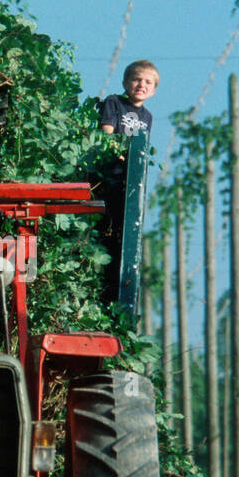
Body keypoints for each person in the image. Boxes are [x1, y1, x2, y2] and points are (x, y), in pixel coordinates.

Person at [97, 60, 158, 300]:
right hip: (110, 175)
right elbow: (106, 135)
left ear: (153, 90)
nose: (141, 85)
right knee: (107, 226)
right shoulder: (115, 103)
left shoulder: (147, 116)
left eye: (147, 82)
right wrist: (121, 156)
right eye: (136, 79)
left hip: (130, 181)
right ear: (125, 83)